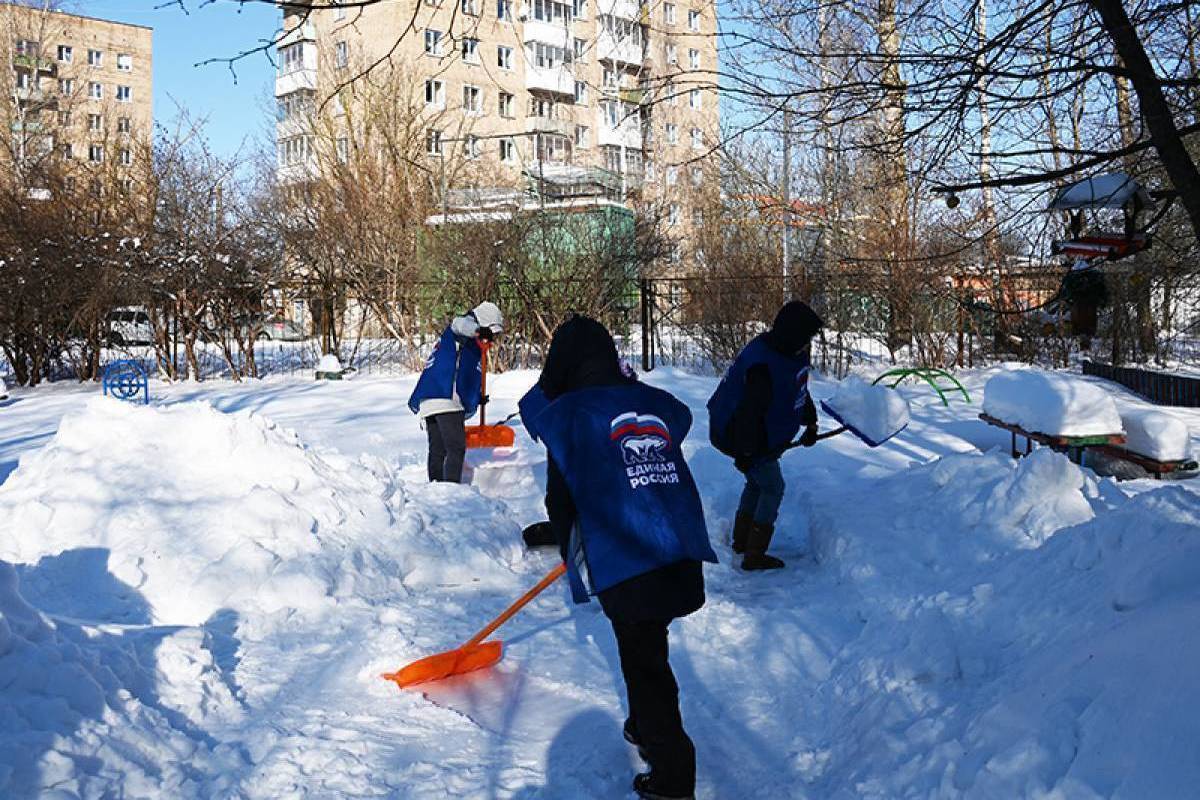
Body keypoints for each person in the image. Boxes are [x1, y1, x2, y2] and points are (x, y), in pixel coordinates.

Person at [523, 315, 717, 800]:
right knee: (649, 645)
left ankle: (672, 774)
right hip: (678, 550)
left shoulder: (570, 416)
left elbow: (559, 500)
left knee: (645, 664)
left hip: (630, 558)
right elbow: (680, 415)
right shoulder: (650, 401)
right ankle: (643, 723)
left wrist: (574, 551)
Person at [706, 300, 823, 570]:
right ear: (792, 333)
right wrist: (746, 453)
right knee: (772, 486)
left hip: (759, 438)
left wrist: (811, 424)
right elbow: (748, 414)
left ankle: (741, 541)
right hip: (743, 435)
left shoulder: (790, 354)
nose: (808, 343)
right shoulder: (762, 365)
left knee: (757, 484)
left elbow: (796, 388)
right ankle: (754, 554)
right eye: (806, 337)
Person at [407, 301, 504, 483]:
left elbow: (464, 374)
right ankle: (452, 494)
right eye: (492, 333)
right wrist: (478, 330)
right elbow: (459, 324)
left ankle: (434, 489)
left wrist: (476, 399)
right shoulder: (463, 328)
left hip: (430, 396)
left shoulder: (460, 343)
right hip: (445, 397)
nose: (492, 339)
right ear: (485, 323)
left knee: (438, 449)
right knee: (456, 448)